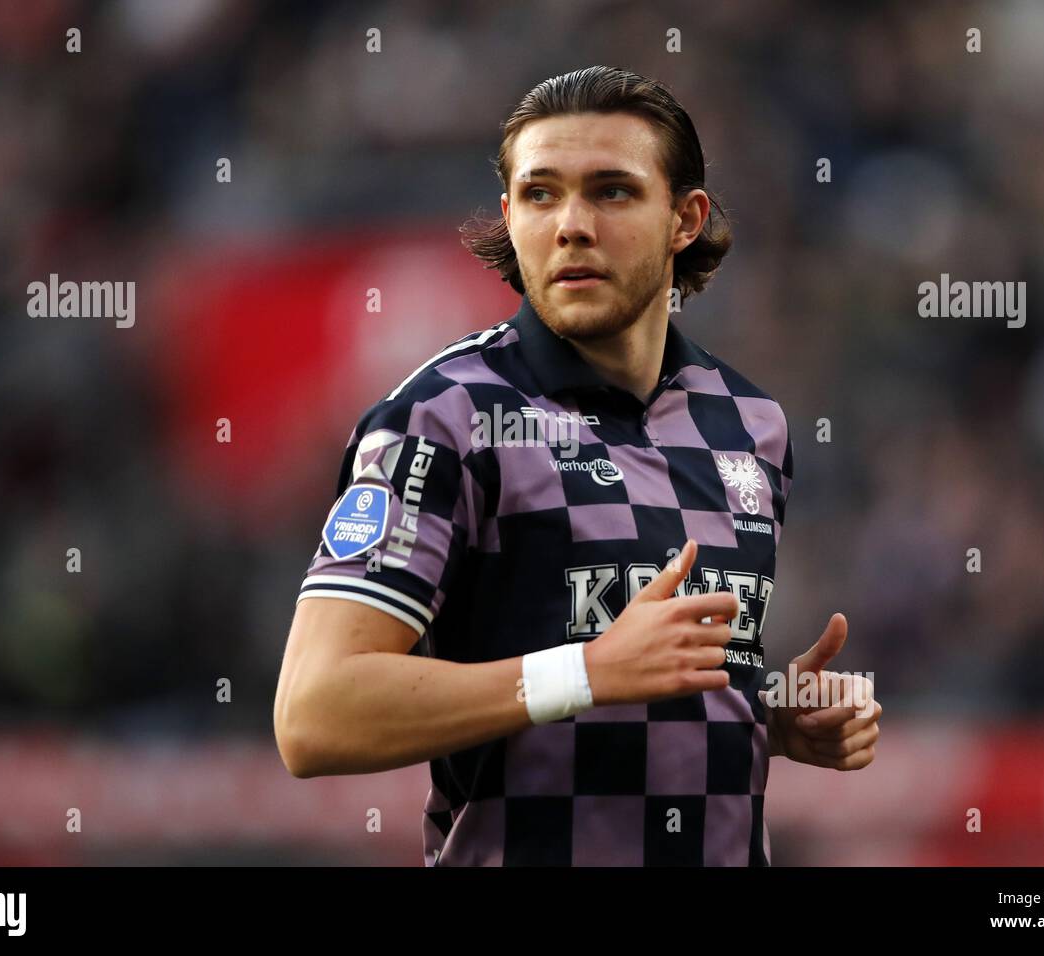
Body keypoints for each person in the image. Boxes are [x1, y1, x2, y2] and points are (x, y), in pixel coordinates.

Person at [275, 65, 881, 866]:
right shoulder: (446, 418)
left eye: (612, 192)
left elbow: (640, 686)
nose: (570, 225)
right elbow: (316, 713)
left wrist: (767, 715)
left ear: (685, 218)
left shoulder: (748, 423)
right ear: (509, 215)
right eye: (540, 194)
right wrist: (587, 670)